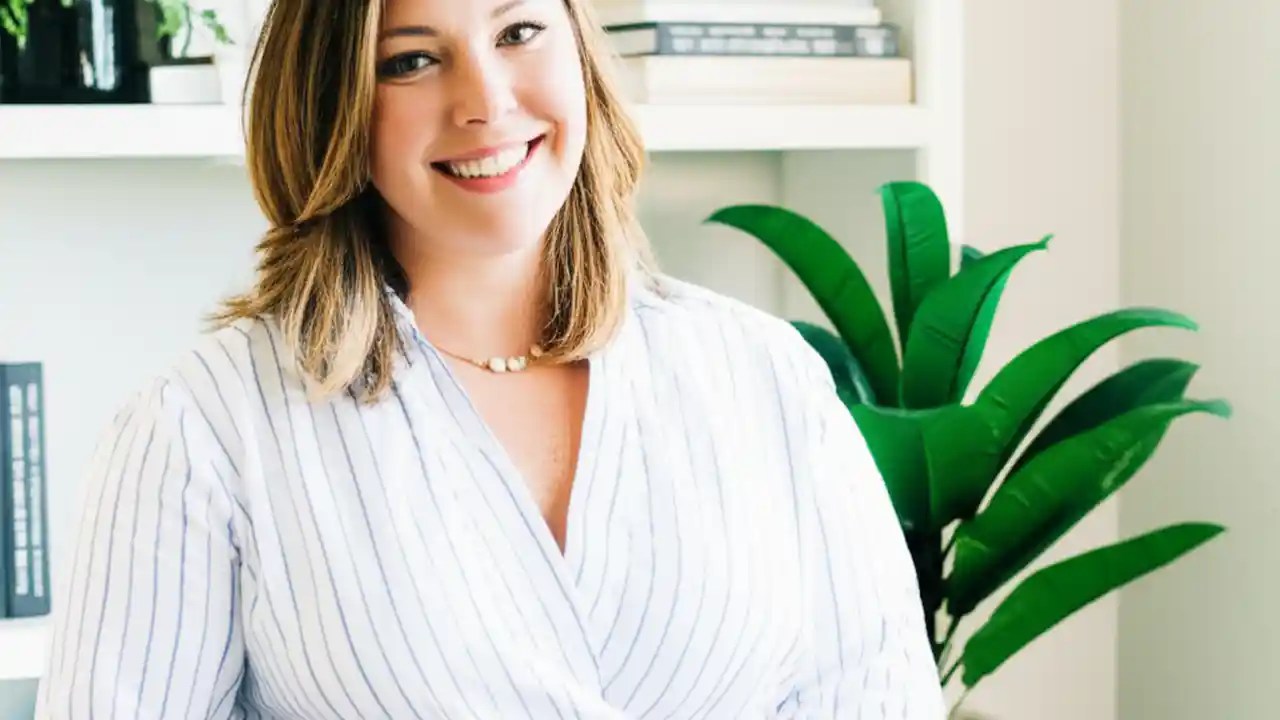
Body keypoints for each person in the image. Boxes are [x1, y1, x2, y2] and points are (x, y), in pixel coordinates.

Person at [35, 0, 946, 716]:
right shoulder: (201, 431)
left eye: (518, 32)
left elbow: (877, 698)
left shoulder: (764, 377)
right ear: (332, 106)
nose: (486, 101)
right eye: (411, 60)